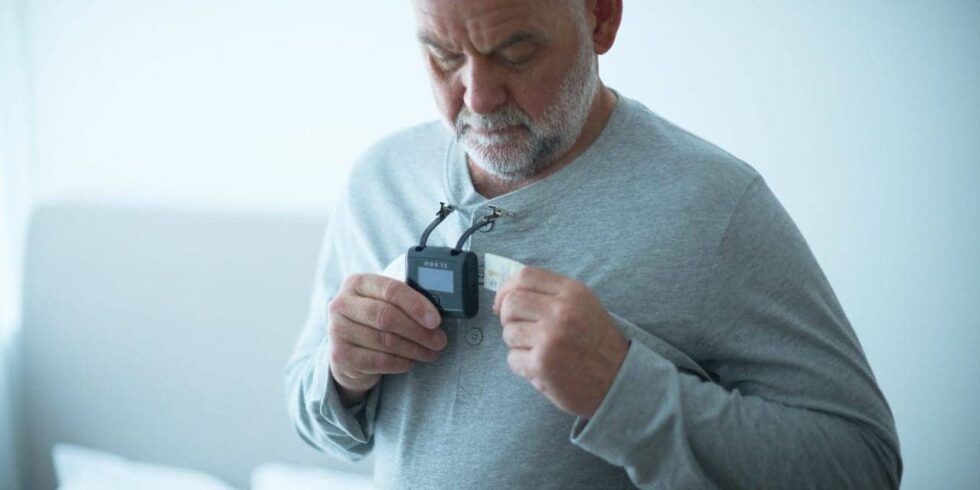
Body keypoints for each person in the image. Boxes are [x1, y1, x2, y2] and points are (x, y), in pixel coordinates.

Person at [284, 0, 902, 488]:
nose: (477, 98)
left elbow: (862, 466)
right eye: (444, 56)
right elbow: (316, 422)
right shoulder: (379, 180)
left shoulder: (717, 207)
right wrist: (341, 376)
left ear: (601, 16)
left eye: (516, 51)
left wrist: (621, 391)